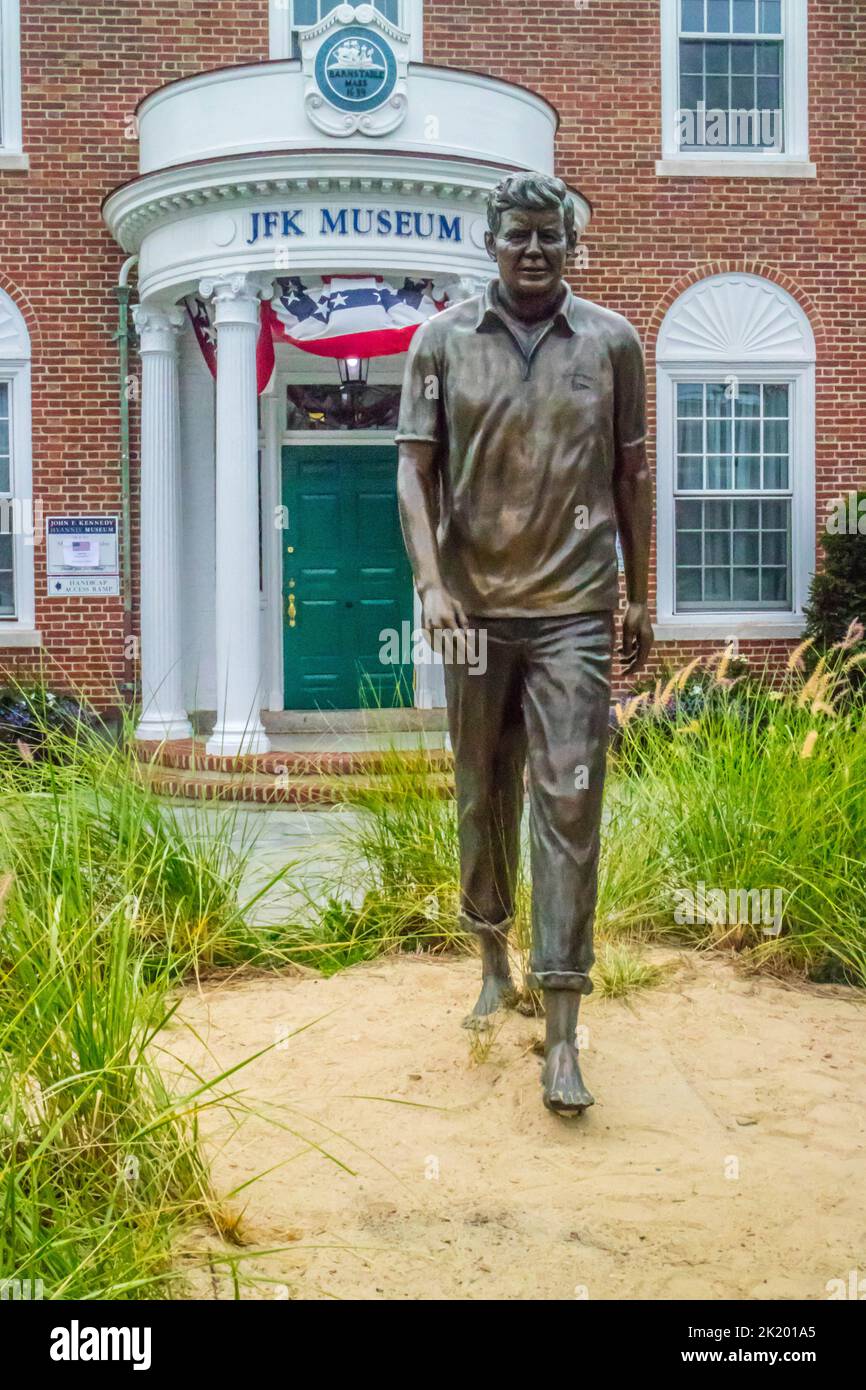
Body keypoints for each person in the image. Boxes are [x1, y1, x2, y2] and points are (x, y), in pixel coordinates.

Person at [396, 171, 653, 1115]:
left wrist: (639, 592)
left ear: (571, 245)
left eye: (551, 236)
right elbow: (412, 475)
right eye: (518, 236)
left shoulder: (613, 342)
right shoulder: (440, 342)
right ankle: (491, 958)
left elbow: (630, 474)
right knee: (480, 788)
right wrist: (431, 582)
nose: (535, 250)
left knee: (570, 803)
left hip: (577, 610)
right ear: (490, 242)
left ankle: (564, 1028)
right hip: (472, 612)